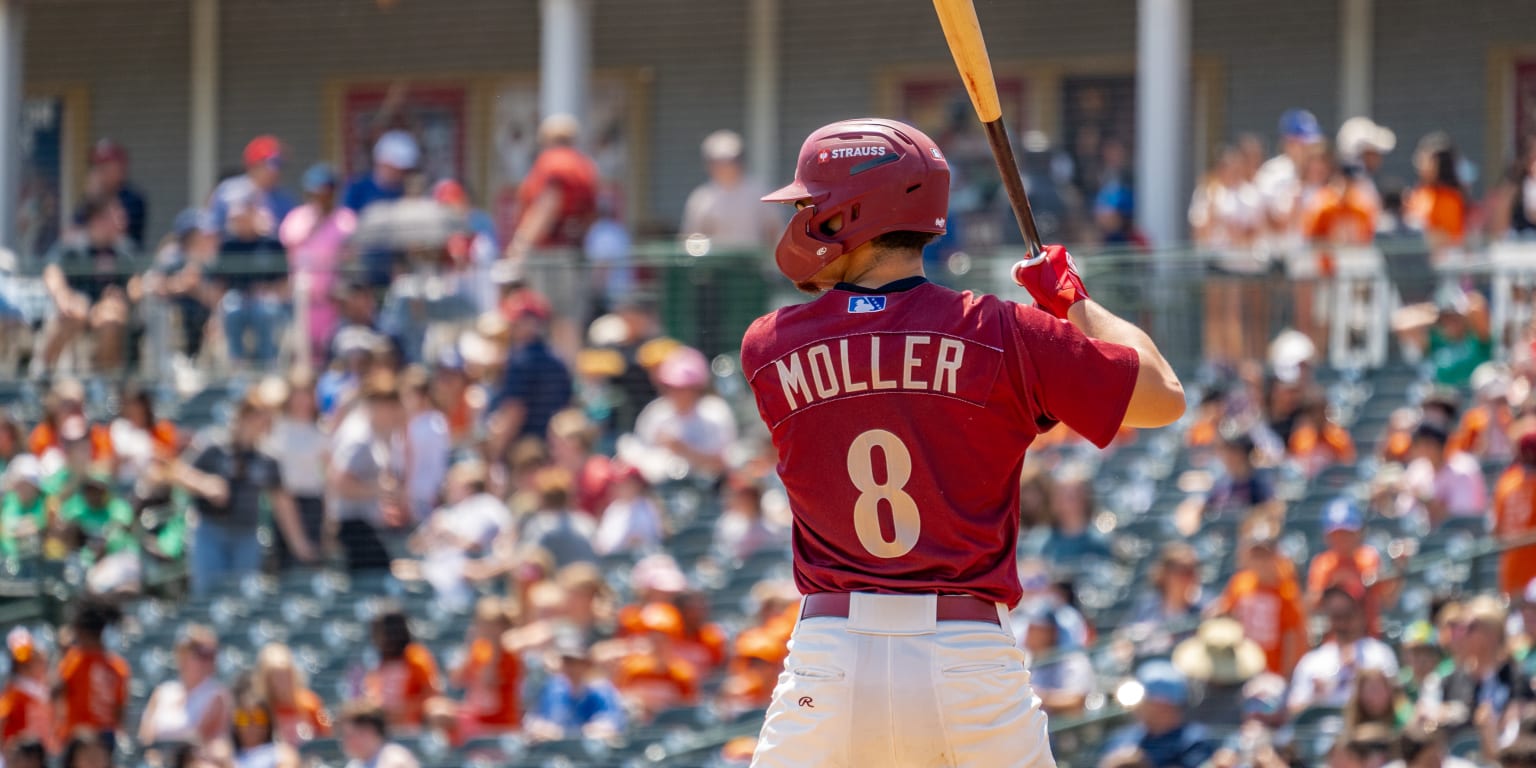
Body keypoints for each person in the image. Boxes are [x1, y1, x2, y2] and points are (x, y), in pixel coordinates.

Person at [740, 117, 1184, 767]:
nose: (804, 219)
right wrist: (1072, 302)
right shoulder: (1004, 331)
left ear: (852, 211)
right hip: (966, 657)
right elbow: (1163, 396)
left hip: (829, 658)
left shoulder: (768, 344)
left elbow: (860, 340)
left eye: (813, 204)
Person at [174, 397, 312, 595]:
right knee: (209, 594)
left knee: (242, 598)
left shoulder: (266, 459)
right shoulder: (215, 447)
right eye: (259, 418)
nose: (263, 425)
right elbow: (178, 471)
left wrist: (300, 544)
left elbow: (282, 502)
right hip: (211, 531)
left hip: (246, 535)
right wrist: (204, 484)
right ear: (244, 417)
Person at [503, 115, 599, 308]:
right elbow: (591, 215)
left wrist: (520, 245)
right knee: (569, 313)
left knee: (544, 311)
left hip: (548, 253)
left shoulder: (554, 163)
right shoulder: (585, 166)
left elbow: (547, 205)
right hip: (573, 250)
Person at [41, 196, 139, 372]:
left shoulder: (124, 249)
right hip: (75, 307)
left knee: (110, 318)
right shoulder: (73, 245)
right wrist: (63, 296)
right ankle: (43, 372)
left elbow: (136, 282)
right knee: (75, 313)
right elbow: (51, 271)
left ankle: (101, 380)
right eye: (115, 215)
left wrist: (124, 297)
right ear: (97, 219)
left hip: (104, 311)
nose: (122, 220)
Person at [619, 344, 736, 484]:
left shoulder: (715, 413)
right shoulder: (655, 413)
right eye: (672, 387)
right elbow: (639, 453)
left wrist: (683, 449)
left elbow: (723, 464)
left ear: (697, 388)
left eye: (685, 388)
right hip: (659, 487)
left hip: (707, 488)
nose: (678, 393)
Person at [281, 163, 357, 366]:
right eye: (315, 193)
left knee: (330, 356)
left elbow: (351, 262)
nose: (320, 197)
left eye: (325, 192)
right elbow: (287, 253)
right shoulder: (296, 218)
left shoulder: (346, 221)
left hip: (332, 303)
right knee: (299, 358)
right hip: (299, 301)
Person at [329, 373, 407, 570]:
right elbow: (339, 482)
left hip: (364, 523)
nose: (396, 414)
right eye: (393, 407)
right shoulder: (359, 437)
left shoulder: (371, 431)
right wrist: (378, 489)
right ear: (381, 406)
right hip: (352, 526)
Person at [1208, 522, 1307, 676]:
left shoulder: (1286, 590)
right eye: (1255, 555)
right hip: (1243, 668)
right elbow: (1226, 613)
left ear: (1275, 556)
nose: (1260, 561)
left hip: (1272, 671)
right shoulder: (1240, 583)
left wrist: (1285, 676)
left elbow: (1291, 636)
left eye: (1264, 555)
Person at [486, 290, 572, 458]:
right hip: (552, 450)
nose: (512, 328)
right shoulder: (558, 360)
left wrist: (494, 453)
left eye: (516, 323)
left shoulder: (520, 361)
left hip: (524, 453)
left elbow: (514, 411)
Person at [1289, 587, 1400, 713]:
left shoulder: (1380, 654)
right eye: (1336, 616)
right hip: (1323, 722)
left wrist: (1362, 680)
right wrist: (1315, 697)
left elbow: (1397, 701)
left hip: (1367, 723)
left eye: (1348, 614)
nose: (1342, 623)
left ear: (1361, 613)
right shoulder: (1312, 661)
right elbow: (1293, 710)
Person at [264, 373, 329, 571]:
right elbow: (278, 489)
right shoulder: (276, 430)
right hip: (286, 504)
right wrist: (297, 539)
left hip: (315, 504)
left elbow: (326, 476)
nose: (302, 400)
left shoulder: (321, 431)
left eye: (307, 394)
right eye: (297, 394)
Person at [680, 129, 784, 251]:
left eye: (731, 161)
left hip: (754, 260)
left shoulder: (760, 192)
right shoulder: (701, 198)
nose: (726, 166)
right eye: (719, 162)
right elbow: (692, 239)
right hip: (716, 261)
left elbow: (775, 231)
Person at [1102, 661, 1218, 768]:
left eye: (1146, 699)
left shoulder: (1193, 740)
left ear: (1164, 705)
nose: (1138, 705)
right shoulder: (1122, 739)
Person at [1306, 498, 1395, 635]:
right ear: (1326, 537)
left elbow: (1388, 600)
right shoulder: (1323, 564)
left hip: (1368, 637)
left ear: (1359, 533)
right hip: (1334, 640)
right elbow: (1311, 606)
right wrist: (1333, 586)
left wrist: (1398, 568)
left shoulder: (1369, 557)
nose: (1342, 539)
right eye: (1336, 534)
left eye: (1347, 533)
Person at [138, 625, 232, 747]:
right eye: (202, 653)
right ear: (183, 654)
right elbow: (145, 736)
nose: (209, 660)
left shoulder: (218, 695)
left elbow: (200, 740)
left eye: (212, 654)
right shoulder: (162, 691)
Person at [54, 600, 128, 751]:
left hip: (78, 739)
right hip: (105, 740)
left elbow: (55, 692)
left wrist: (61, 655)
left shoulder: (73, 661)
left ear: (81, 631)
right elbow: (119, 712)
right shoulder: (118, 666)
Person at [526, 632, 626, 742]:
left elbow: (609, 725)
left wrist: (582, 732)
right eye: (567, 662)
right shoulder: (554, 689)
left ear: (587, 664)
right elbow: (537, 721)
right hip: (556, 748)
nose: (571, 668)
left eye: (576, 662)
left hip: (589, 750)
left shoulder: (601, 690)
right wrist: (544, 729)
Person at [209, 135, 296, 250]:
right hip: (232, 255)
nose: (278, 170)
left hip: (269, 257)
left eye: (280, 164)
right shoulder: (228, 191)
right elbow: (211, 229)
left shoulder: (284, 199)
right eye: (274, 163)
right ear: (255, 164)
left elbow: (290, 237)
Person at [452, 598, 522, 738]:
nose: (486, 630)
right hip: (476, 720)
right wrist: (468, 646)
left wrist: (495, 648)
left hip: (502, 725)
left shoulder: (511, 656)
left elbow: (488, 682)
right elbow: (457, 681)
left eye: (492, 626)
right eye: (483, 624)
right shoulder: (477, 649)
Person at [1397, 421, 1488, 528]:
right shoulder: (1418, 470)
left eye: (1427, 444)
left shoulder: (1463, 470)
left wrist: (1426, 499)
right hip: (1423, 533)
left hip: (1462, 534)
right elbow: (1405, 514)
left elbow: (1461, 520)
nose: (1421, 449)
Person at [363, 608, 442, 731]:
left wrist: (405, 709)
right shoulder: (378, 662)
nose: (378, 637)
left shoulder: (415, 656)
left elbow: (431, 694)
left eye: (381, 631)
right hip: (384, 723)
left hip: (414, 723)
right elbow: (373, 695)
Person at [1017, 598, 1095, 716]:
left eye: (1035, 629)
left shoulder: (1073, 659)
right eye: (1029, 628)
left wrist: (1036, 696)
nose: (1028, 634)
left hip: (1065, 726)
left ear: (1051, 632)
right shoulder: (1028, 657)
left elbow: (1077, 702)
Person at [1404, 132, 1470, 257]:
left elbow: (1448, 237)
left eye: (1425, 159)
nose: (1419, 163)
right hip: (1416, 259)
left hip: (1444, 260)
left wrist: (1415, 236)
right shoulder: (1420, 192)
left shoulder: (1449, 198)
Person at [251, 644, 329, 745]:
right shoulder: (261, 710)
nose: (282, 682)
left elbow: (325, 735)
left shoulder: (310, 703)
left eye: (286, 675)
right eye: (276, 677)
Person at [81, 139, 147, 248]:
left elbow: (121, 229)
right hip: (93, 255)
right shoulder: (92, 196)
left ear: (121, 169)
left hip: (125, 256)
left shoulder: (133, 198)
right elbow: (77, 228)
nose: (100, 173)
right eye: (98, 167)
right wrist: (91, 197)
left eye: (106, 167)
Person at [1494, 431, 1536, 598]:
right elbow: (1497, 530)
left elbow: (1496, 531)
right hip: (1516, 573)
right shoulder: (1507, 481)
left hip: (1513, 571)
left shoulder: (1507, 480)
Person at [0, 629, 54, 754]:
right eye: (34, 659)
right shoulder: (14, 696)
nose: (43, 663)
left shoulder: (39, 690)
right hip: (22, 757)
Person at [343, 130, 418, 214]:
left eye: (404, 170)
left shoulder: (408, 192)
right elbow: (345, 217)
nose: (400, 173)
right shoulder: (358, 190)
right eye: (395, 168)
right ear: (382, 163)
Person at [227, 685, 301, 768]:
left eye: (259, 718)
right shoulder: (227, 757)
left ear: (269, 722)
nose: (251, 724)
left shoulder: (281, 753)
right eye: (243, 718)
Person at [337, 701, 419, 768]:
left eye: (351, 735)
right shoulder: (354, 764)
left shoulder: (396, 759)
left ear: (374, 731)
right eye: (345, 735)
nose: (348, 741)